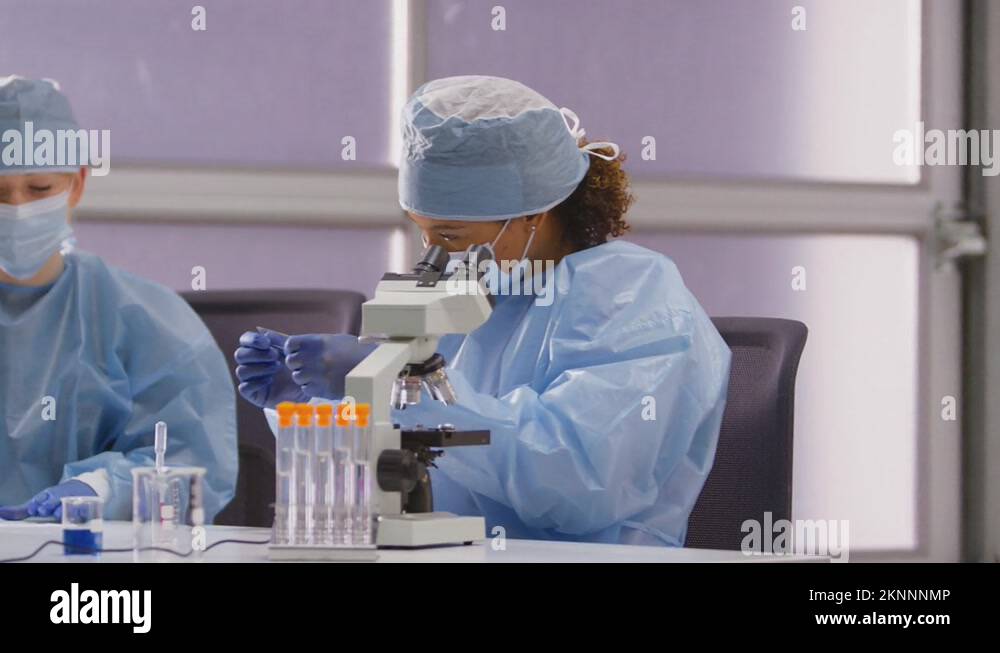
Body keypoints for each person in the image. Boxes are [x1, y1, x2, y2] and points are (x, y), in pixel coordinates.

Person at [235, 76, 731, 546]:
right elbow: (409, 459)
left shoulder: (632, 295)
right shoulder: (476, 288)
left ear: (534, 213)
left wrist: (390, 386)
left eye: (451, 234)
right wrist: (312, 407)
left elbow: (579, 478)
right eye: (420, 228)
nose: (434, 250)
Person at [0, 76, 237, 522]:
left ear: (77, 183)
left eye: (38, 190)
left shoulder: (142, 318)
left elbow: (193, 463)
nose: (17, 210)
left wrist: (101, 487)